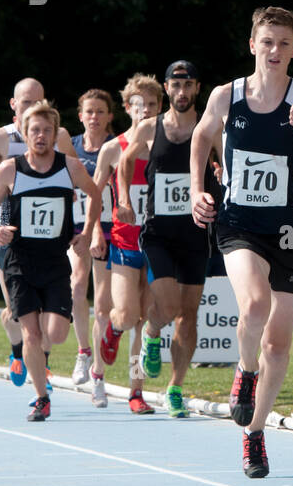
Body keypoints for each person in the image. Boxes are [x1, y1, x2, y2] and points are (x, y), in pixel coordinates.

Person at [189, 8, 293, 478]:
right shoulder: (226, 96)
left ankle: (255, 434)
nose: (274, 51)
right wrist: (196, 190)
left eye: (283, 44)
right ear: (252, 44)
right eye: (266, 42)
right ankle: (244, 371)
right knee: (253, 306)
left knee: (278, 344)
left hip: (289, 229)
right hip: (238, 223)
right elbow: (201, 137)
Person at [0, 101, 103, 420]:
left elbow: (96, 194)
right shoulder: (10, 169)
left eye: (48, 130)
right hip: (20, 262)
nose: (41, 136)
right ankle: (41, 397)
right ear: (25, 132)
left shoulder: (69, 167)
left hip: (55, 260)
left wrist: (87, 231)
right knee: (32, 334)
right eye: (35, 130)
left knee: (57, 334)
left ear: (55, 134)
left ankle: (33, 355)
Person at [0, 78, 75, 386]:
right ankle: (17, 351)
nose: (32, 109)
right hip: (8, 233)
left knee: (44, 315)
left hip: (48, 236)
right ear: (13, 105)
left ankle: (42, 365)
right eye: (25, 103)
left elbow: (72, 177)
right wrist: (10, 189)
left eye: (38, 102)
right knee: (18, 311)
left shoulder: (57, 136)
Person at [117, 61, 209, 418]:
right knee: (168, 306)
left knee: (189, 314)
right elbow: (124, 163)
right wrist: (123, 200)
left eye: (188, 86)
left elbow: (227, 163)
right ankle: (152, 331)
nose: (181, 93)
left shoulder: (207, 127)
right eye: (175, 85)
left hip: (196, 232)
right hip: (158, 232)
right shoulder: (149, 128)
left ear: (197, 88)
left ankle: (175, 387)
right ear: (167, 88)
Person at [89, 75, 162, 412]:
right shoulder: (112, 149)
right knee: (126, 313)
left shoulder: (167, 146)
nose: (144, 111)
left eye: (151, 105)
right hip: (123, 242)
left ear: (160, 107)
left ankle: (136, 391)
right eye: (138, 105)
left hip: (158, 243)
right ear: (128, 107)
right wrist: (92, 233)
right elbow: (94, 195)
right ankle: (113, 330)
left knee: (146, 321)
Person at [68, 89, 116, 386]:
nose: (94, 117)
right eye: (89, 111)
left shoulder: (116, 146)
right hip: (76, 228)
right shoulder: (71, 147)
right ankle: (83, 351)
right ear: (80, 116)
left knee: (102, 304)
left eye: (100, 111)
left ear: (110, 116)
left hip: (109, 229)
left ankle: (98, 365)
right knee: (75, 283)